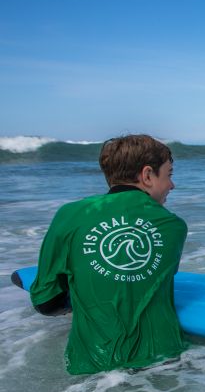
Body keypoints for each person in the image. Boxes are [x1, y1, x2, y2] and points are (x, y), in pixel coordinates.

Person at [29, 134, 188, 375]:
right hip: (163, 358)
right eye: (169, 175)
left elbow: (45, 302)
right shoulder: (173, 225)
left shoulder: (70, 214)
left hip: (93, 366)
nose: (172, 185)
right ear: (147, 175)